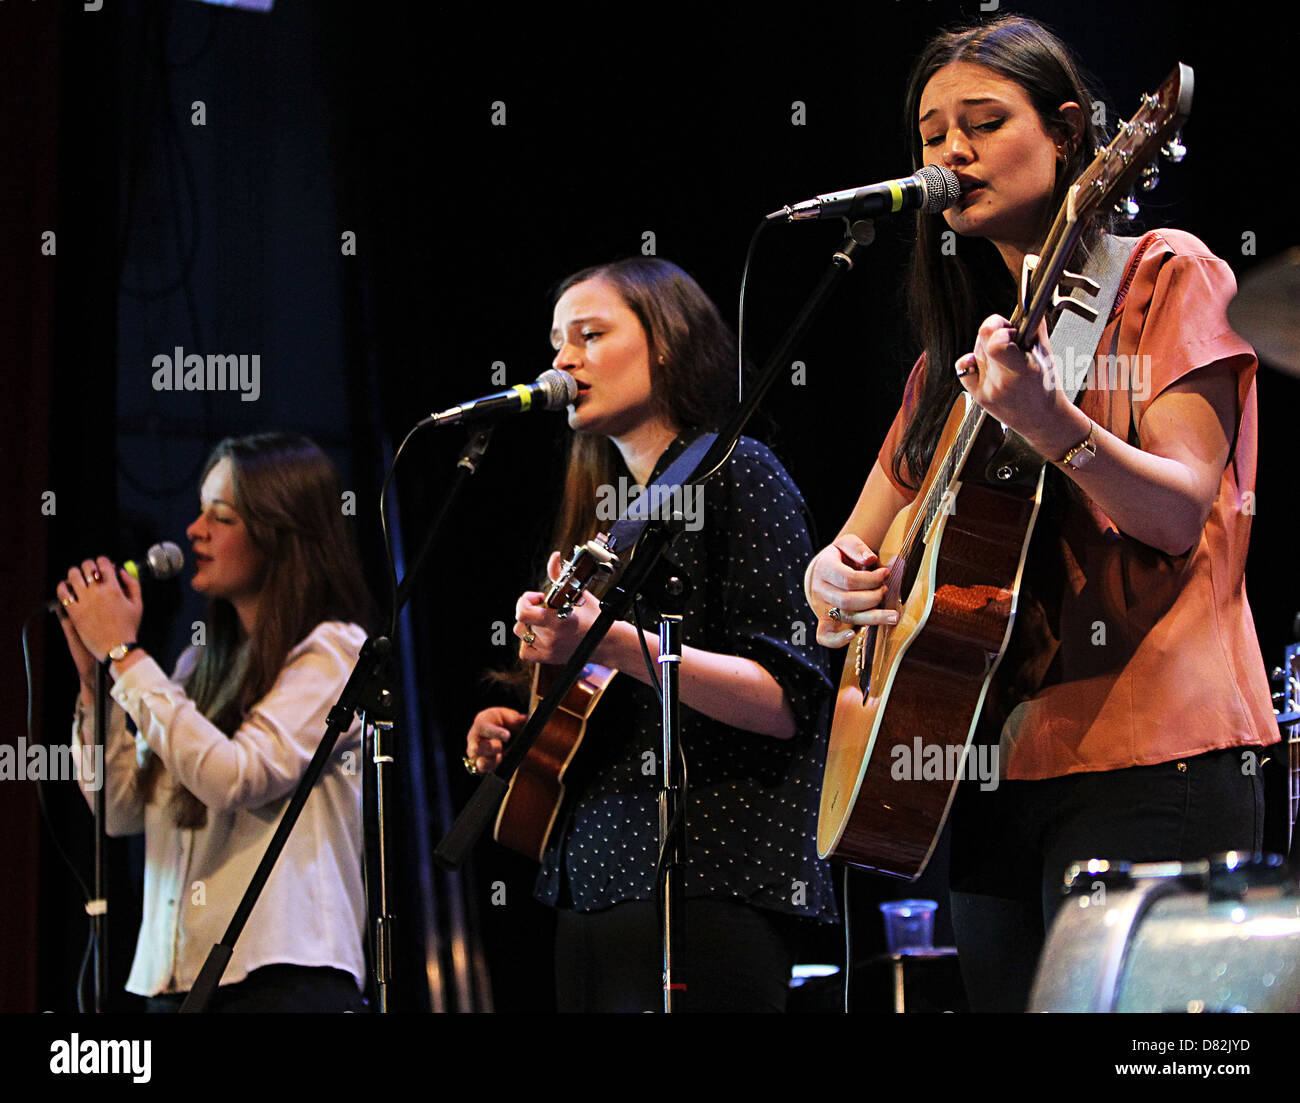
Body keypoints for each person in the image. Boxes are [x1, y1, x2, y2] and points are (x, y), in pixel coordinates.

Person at [804, 15, 1278, 1012]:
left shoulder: (1165, 273)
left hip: (1154, 755)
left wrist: (1044, 418)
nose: (950, 154)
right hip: (988, 769)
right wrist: (833, 579)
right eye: (932, 138)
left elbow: (1177, 512)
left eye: (981, 123)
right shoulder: (948, 368)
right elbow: (847, 555)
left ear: (1068, 132)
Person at [464, 257, 835, 1012]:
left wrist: (608, 642)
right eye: (556, 342)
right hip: (589, 877)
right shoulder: (608, 517)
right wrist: (526, 730)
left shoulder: (741, 472)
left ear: (665, 343)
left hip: (708, 876)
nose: (563, 360)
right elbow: (606, 701)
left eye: (590, 335)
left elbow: (790, 698)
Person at [57, 432, 373, 1011]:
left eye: (221, 516)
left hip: (282, 980)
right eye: (201, 510)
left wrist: (126, 656)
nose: (195, 530)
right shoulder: (196, 665)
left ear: (280, 532)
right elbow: (121, 809)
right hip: (178, 985)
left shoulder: (335, 652)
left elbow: (235, 776)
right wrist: (96, 684)